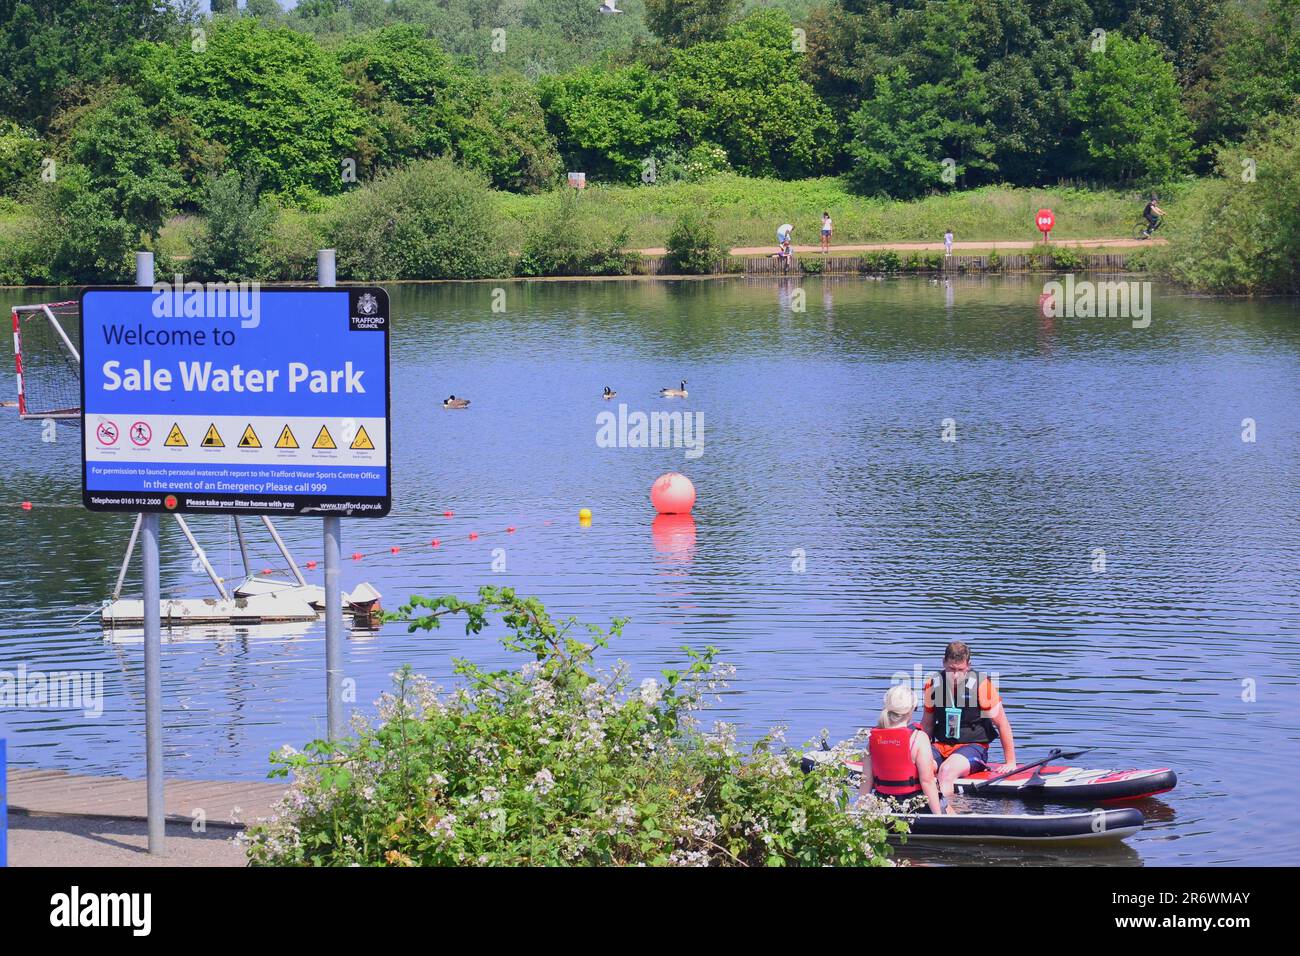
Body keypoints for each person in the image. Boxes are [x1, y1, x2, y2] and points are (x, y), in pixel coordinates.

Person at [921, 641, 1017, 801]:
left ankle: (946, 816)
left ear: (968, 666)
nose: (956, 675)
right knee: (921, 767)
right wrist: (921, 752)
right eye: (951, 669)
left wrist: (1011, 762)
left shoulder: (982, 685)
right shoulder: (933, 684)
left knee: (946, 771)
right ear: (943, 662)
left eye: (960, 670)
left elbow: (1002, 724)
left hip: (973, 747)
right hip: (941, 746)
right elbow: (927, 724)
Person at [859, 684, 944, 814]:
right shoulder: (918, 738)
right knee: (948, 808)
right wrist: (939, 817)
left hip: (883, 807)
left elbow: (866, 781)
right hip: (915, 807)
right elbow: (927, 781)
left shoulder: (873, 739)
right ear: (911, 710)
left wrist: (860, 812)